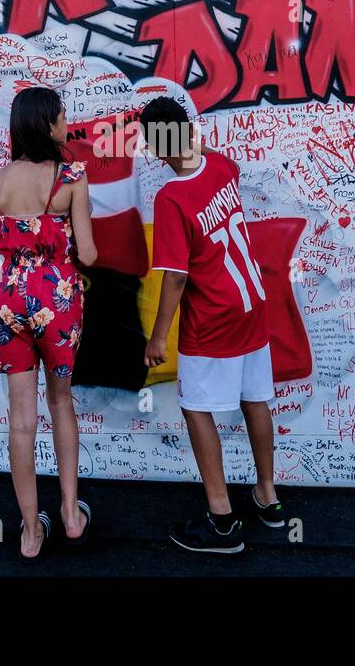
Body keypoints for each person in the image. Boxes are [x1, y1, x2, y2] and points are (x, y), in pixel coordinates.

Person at [140, 96, 284, 554]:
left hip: (215, 317)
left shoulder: (171, 197)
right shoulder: (219, 164)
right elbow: (227, 185)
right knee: (254, 398)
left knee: (195, 407)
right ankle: (268, 496)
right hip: (251, 304)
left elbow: (177, 277)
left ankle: (221, 518)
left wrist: (159, 336)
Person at [0, 86, 97, 559]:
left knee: (21, 418)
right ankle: (70, 513)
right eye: (62, 115)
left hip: (12, 299)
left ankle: (31, 532)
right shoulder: (71, 176)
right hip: (59, 302)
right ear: (47, 124)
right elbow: (87, 253)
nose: (67, 121)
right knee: (61, 402)